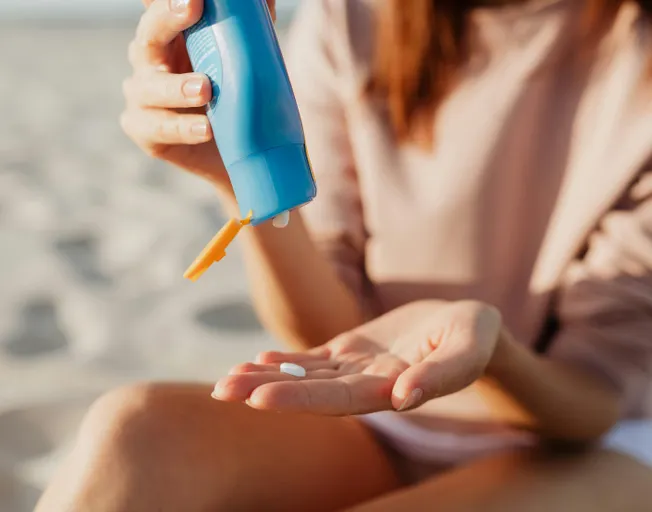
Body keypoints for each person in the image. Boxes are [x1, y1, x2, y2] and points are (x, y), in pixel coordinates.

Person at [37, 0, 652, 510]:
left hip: (588, 439)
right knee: (136, 434)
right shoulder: (353, 17)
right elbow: (326, 333)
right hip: (381, 407)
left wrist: (493, 355)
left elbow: (594, 401)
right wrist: (240, 178)